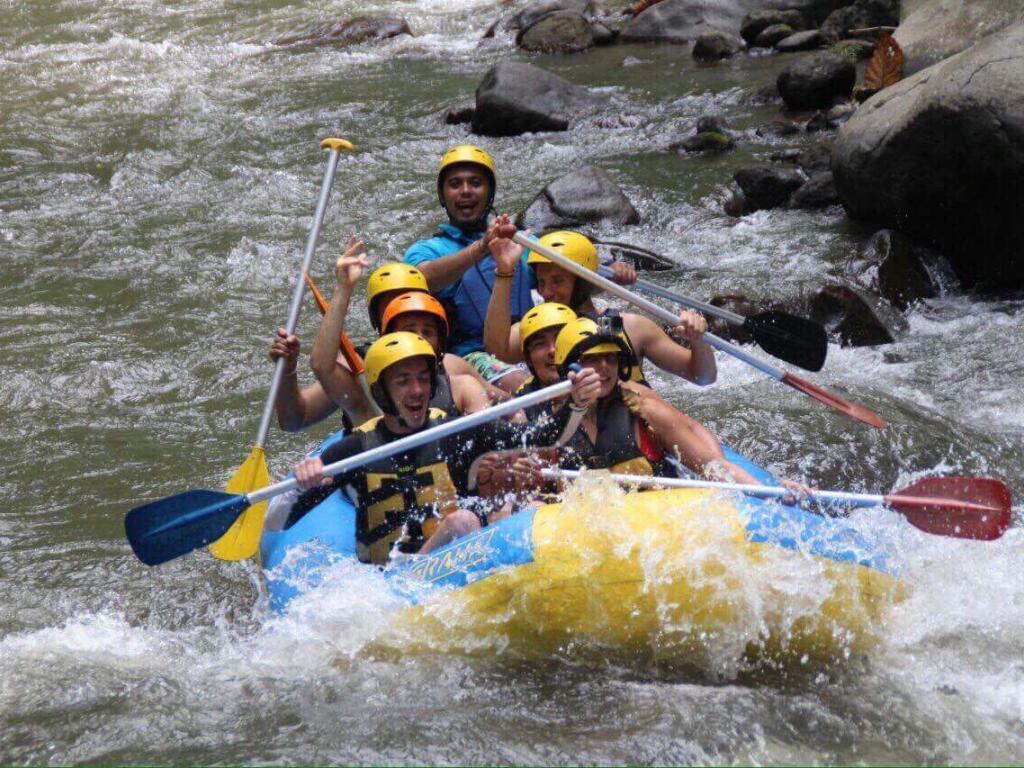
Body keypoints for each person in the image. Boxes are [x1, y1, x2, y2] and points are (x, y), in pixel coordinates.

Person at [289, 332, 601, 565]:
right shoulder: (357, 448)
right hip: (387, 585)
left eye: (424, 379)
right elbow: (280, 521)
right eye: (403, 381)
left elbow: (539, 436)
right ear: (381, 392)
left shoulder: (457, 432)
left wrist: (576, 403)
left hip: (452, 565)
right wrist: (302, 485)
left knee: (522, 511)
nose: (417, 390)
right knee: (462, 521)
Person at [403, 145, 637, 392]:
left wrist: (610, 273)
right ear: (443, 195)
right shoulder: (426, 250)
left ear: (490, 192)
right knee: (520, 382)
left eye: (475, 183)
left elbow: (568, 275)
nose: (465, 191)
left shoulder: (521, 242)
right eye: (455, 184)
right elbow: (422, 279)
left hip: (531, 342)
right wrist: (481, 247)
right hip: (471, 355)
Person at [483, 230, 717, 388]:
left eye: (557, 281)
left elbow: (703, 377)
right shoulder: (538, 334)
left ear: (583, 282)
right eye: (542, 282)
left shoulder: (630, 327)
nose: (546, 293)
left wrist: (699, 341)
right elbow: (497, 350)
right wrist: (504, 272)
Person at [310, 248, 506, 429]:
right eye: (409, 330)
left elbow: (508, 409)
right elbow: (320, 365)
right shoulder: (365, 387)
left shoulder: (460, 381)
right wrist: (344, 289)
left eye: (427, 332)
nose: (418, 340)